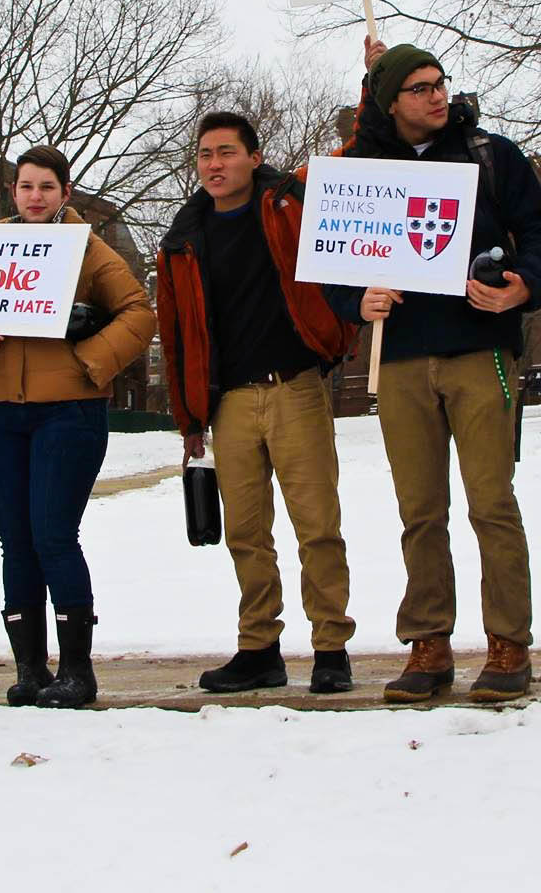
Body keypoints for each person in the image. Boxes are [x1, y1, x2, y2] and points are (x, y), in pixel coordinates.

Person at [323, 41, 541, 704]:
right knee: (419, 510)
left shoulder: (490, 154)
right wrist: (354, 301)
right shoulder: (361, 167)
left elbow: (540, 238)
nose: (437, 95)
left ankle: (509, 641)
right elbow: (331, 256)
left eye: (440, 82)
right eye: (420, 87)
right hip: (400, 359)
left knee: (492, 501)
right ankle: (429, 640)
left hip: (481, 351)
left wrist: (522, 287)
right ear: (390, 100)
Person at [0, 146, 155, 708]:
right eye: (25, 186)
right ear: (13, 192)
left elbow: (139, 312)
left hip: (67, 412)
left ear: (64, 192)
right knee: (15, 543)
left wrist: (88, 359)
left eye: (46, 186)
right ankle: (30, 669)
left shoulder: (86, 249)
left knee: (53, 537)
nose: (34, 196)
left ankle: (77, 672)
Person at [156, 111, 358, 695]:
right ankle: (259, 648)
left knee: (318, 525)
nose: (214, 165)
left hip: (295, 387)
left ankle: (331, 649)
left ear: (252, 155)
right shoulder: (181, 241)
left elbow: (357, 161)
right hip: (230, 405)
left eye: (225, 152)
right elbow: (175, 335)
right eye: (204, 156)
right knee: (246, 533)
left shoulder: (291, 201)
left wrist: (374, 84)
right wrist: (189, 416)